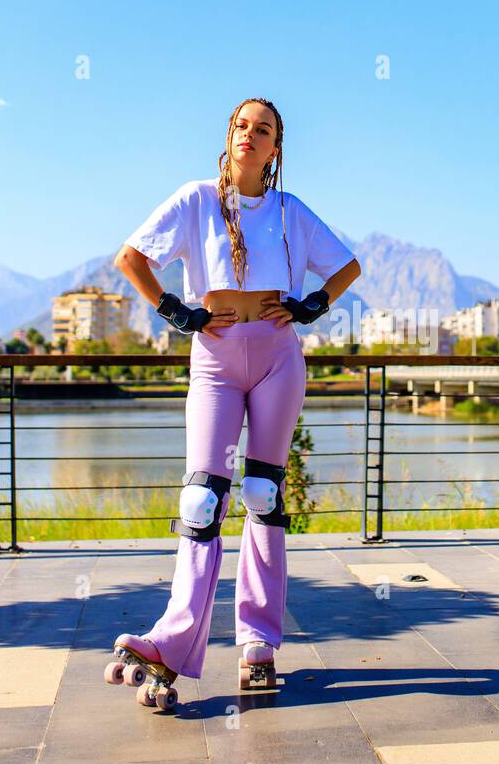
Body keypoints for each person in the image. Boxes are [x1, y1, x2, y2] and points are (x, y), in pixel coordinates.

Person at [106, 96, 361, 706]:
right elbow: (131, 259)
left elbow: (347, 268)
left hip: (277, 355)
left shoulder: (289, 210)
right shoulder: (196, 199)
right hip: (216, 358)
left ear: (276, 148)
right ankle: (171, 642)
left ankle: (259, 644)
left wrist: (309, 307)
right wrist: (178, 312)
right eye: (242, 126)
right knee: (201, 500)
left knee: (263, 494)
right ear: (230, 135)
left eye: (264, 130)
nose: (250, 135)